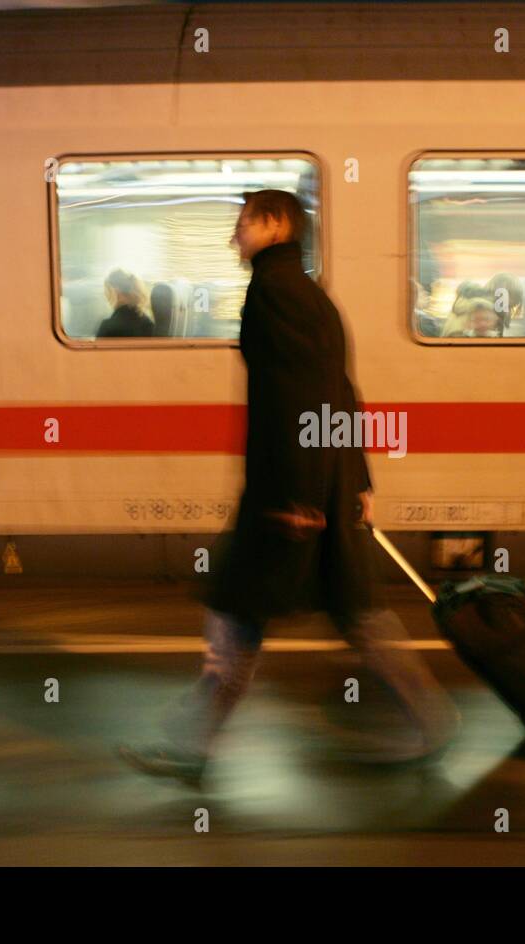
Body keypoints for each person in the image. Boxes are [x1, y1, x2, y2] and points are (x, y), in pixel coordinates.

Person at [117, 190, 459, 785]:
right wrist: (356, 479)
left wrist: (297, 498)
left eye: (242, 224)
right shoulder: (311, 295)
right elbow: (341, 394)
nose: (233, 238)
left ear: (274, 225)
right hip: (316, 487)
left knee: (239, 611)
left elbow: (298, 400)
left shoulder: (272, 294)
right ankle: (432, 722)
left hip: (291, 494)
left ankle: (193, 748)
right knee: (348, 615)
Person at [95, 269, 155, 337]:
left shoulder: (108, 327)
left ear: (115, 291)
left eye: (107, 291)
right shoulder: (148, 324)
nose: (106, 296)